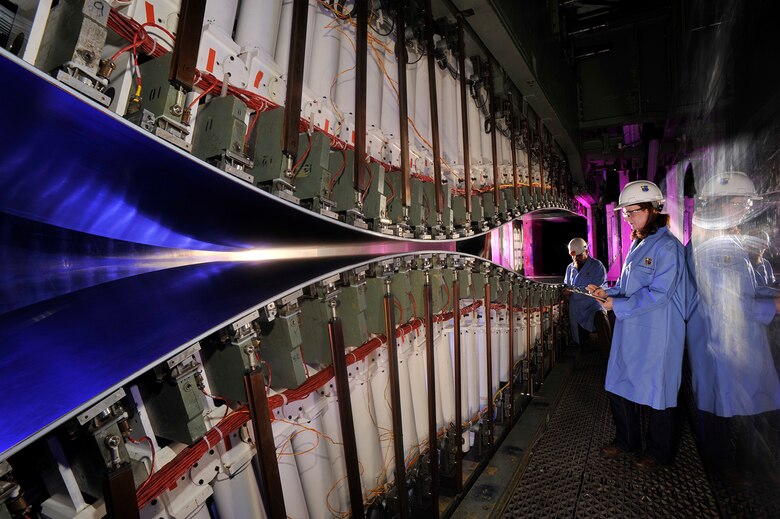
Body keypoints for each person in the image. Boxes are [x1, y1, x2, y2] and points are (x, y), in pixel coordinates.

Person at [588, 180, 688, 471]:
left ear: (653, 209)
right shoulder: (639, 243)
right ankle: (626, 440)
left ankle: (658, 452)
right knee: (617, 383)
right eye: (626, 213)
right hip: (632, 329)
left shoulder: (668, 248)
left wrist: (616, 305)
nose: (628, 217)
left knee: (660, 394)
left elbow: (659, 293)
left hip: (657, 334)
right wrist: (609, 292)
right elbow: (630, 287)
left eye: (634, 212)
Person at [563, 237, 611, 355]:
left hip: (593, 305)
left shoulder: (597, 266)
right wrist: (565, 292)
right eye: (573, 256)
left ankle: (609, 354)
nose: (576, 259)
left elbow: (597, 288)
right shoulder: (570, 268)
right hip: (576, 308)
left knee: (601, 318)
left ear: (586, 252)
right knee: (581, 343)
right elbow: (567, 285)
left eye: (579, 256)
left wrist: (574, 291)